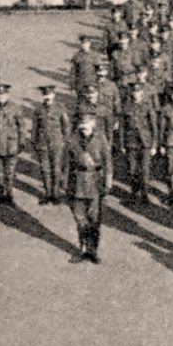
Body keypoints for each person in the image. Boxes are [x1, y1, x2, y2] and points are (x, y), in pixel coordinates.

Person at [64, 113, 113, 263]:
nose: (84, 127)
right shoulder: (72, 139)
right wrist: (65, 183)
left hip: (95, 182)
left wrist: (108, 181)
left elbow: (107, 161)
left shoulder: (100, 138)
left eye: (86, 124)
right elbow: (66, 162)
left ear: (93, 123)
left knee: (94, 220)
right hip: (77, 182)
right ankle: (83, 249)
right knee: (80, 219)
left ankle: (93, 250)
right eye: (82, 124)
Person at [120, 83, 159, 204]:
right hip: (131, 142)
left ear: (142, 93)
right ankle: (134, 193)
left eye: (138, 92)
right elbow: (122, 126)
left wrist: (154, 145)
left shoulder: (147, 106)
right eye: (134, 92)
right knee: (132, 169)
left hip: (145, 142)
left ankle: (145, 194)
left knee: (145, 169)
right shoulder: (127, 106)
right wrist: (122, 144)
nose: (136, 94)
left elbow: (154, 126)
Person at [0, 83, 23, 206]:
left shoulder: (15, 108)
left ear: (8, 95)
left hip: (10, 146)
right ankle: (0, 195)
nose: (1, 97)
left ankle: (10, 195)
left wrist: (21, 143)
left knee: (10, 173)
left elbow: (21, 127)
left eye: (3, 94)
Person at [33, 85, 70, 205]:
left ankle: (55, 194)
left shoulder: (60, 108)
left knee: (56, 169)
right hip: (42, 144)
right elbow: (35, 128)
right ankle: (47, 193)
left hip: (56, 143)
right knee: (45, 169)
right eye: (45, 95)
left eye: (49, 95)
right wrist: (35, 142)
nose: (47, 97)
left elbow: (66, 126)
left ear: (53, 95)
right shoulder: (38, 110)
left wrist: (64, 142)